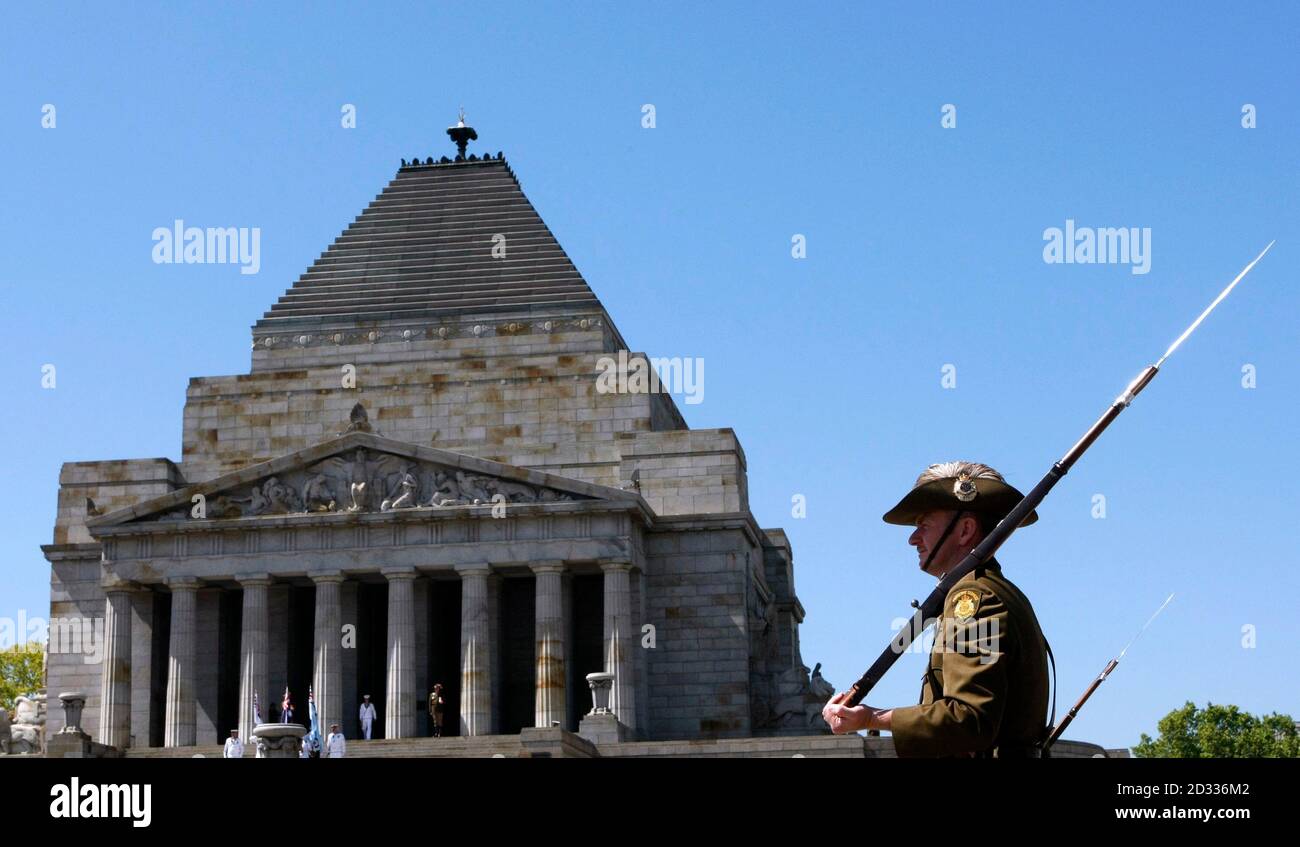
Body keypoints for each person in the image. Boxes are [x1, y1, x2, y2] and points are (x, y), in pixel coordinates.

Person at [822, 461, 1052, 757]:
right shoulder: (995, 590)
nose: (913, 538)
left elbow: (969, 720)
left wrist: (871, 719)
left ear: (965, 530)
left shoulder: (975, 597)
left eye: (924, 525)